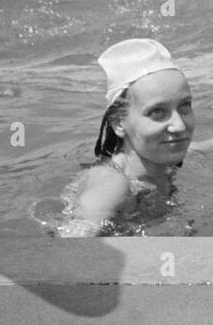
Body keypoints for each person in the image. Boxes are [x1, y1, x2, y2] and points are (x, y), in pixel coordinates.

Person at [63, 39, 193, 235]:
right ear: (118, 123)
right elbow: (67, 246)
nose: (179, 126)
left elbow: (202, 147)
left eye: (184, 106)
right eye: (157, 112)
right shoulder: (113, 184)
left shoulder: (161, 159)